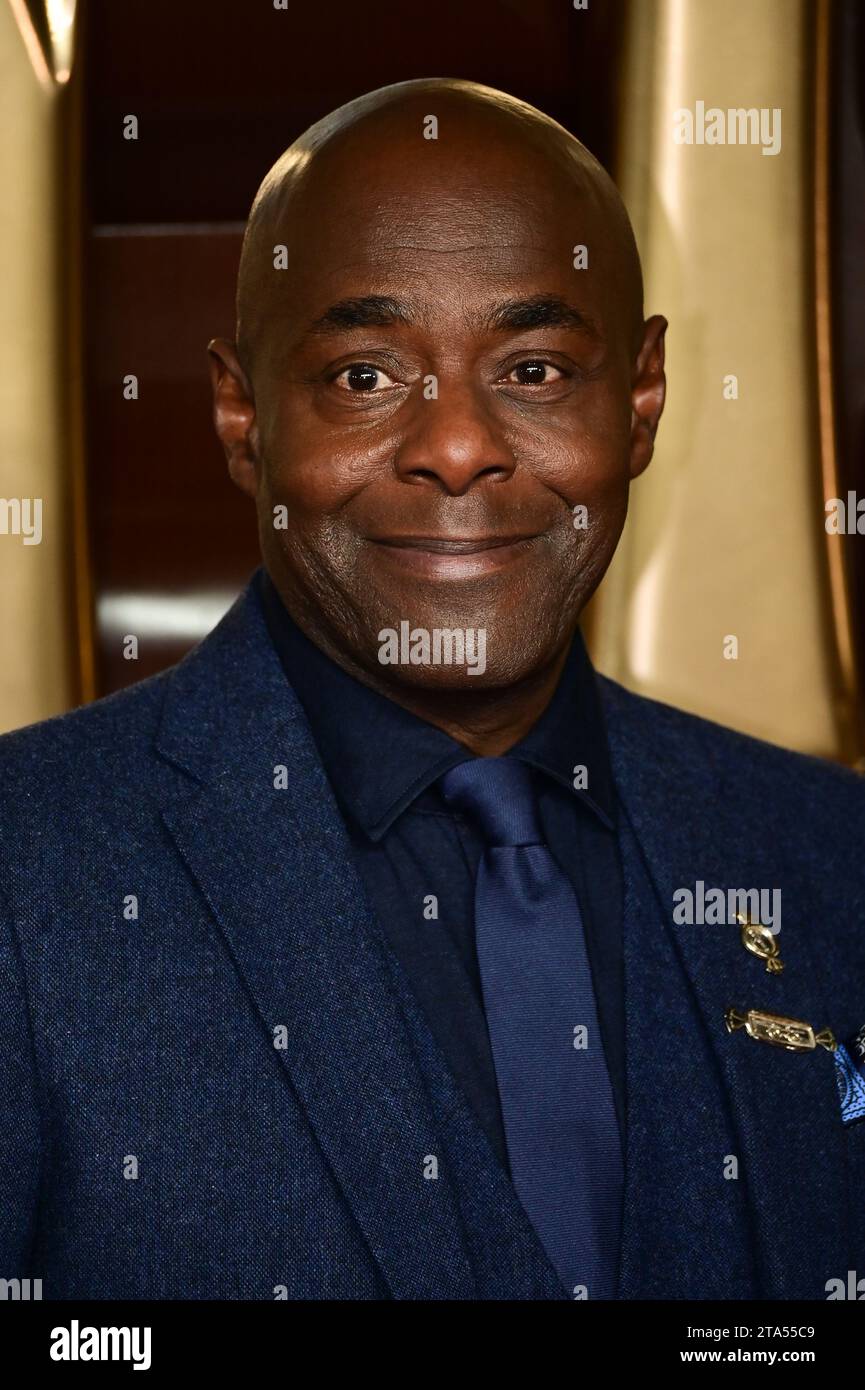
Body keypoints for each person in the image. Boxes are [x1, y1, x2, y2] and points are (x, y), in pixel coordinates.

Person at [1, 78, 863, 1302]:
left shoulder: (830, 854)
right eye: (362, 375)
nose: (457, 445)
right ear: (241, 411)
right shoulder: (26, 872)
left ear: (641, 398)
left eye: (535, 367)